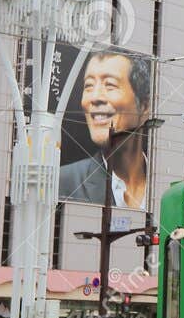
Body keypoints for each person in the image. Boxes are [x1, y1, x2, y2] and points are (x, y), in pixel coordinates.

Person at [58, 50, 152, 210]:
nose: (95, 98)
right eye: (88, 86)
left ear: (143, 106)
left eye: (110, 85)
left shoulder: (167, 185)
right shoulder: (63, 181)